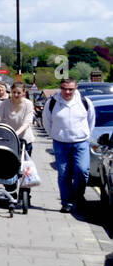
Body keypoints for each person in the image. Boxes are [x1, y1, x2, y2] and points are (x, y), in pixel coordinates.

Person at [42, 77, 96, 213]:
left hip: (81, 142)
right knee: (64, 174)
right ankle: (67, 202)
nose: (67, 92)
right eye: (64, 89)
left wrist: (85, 135)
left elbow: (91, 121)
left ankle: (78, 197)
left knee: (82, 171)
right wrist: (55, 135)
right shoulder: (52, 102)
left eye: (70, 89)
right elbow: (46, 121)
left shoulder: (85, 102)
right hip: (60, 143)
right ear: (60, 89)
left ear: (75, 88)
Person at [0, 81, 36, 157]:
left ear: (24, 92)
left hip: (24, 138)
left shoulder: (28, 104)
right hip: (9, 138)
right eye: (14, 92)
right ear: (11, 91)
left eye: (18, 93)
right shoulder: (5, 103)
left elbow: (26, 123)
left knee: (23, 164)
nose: (15, 95)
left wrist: (15, 134)